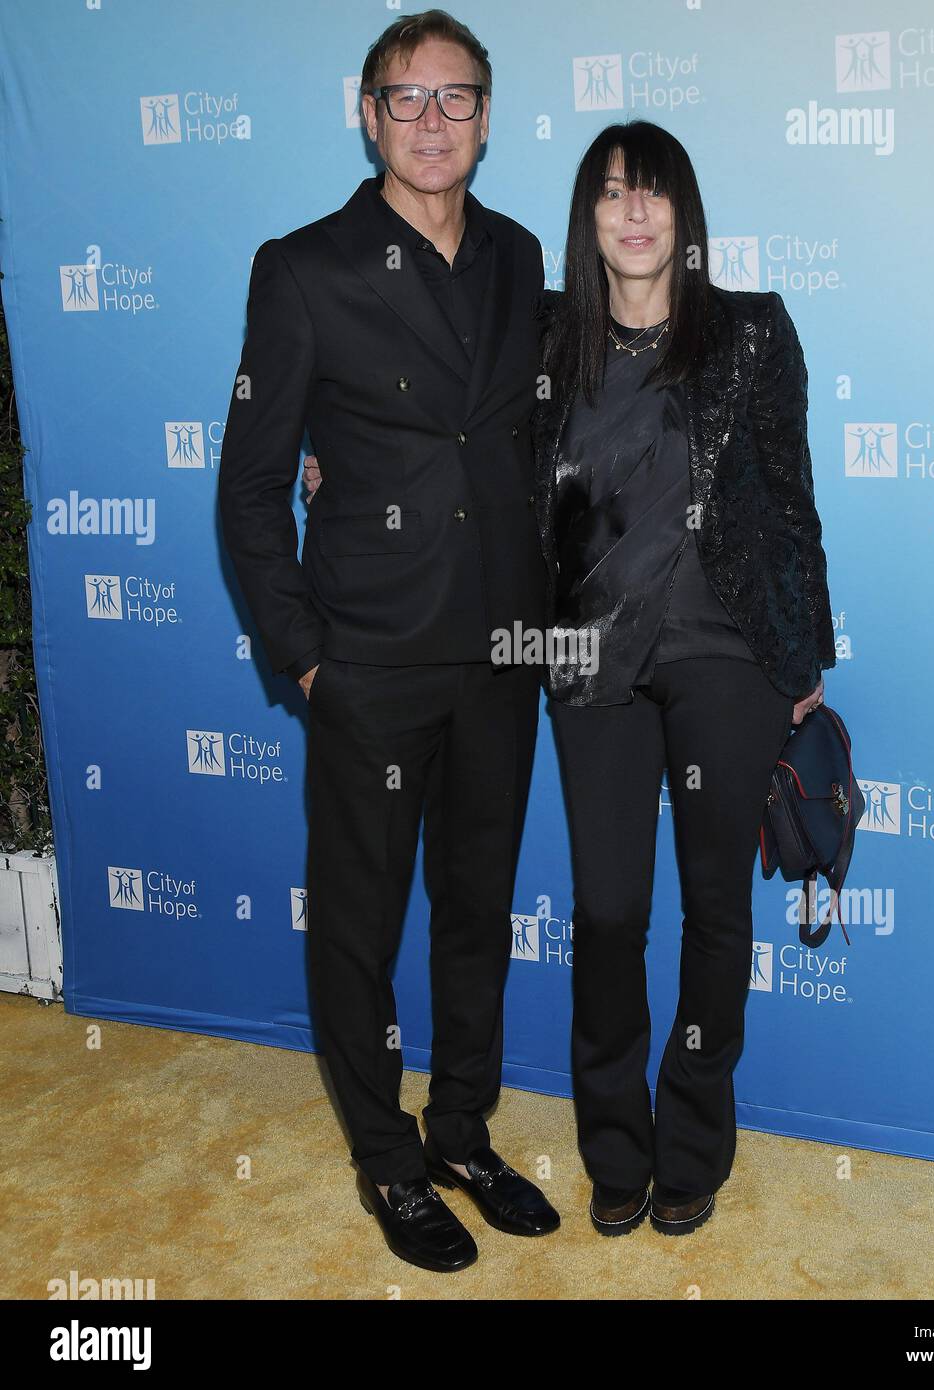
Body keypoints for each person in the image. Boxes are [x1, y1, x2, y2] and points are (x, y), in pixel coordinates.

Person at [217, 9, 559, 1275]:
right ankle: (384, 1158)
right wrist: (304, 655)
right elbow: (251, 487)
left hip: (500, 657)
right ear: (366, 117)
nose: (430, 122)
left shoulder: (524, 258)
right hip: (367, 655)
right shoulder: (302, 267)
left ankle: (460, 1129)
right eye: (404, 100)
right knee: (357, 926)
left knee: (477, 911)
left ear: (485, 115)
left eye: (454, 98)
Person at [531, 120, 836, 1236]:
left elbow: (791, 501)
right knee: (608, 915)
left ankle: (692, 1142)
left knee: (715, 913)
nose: (633, 211)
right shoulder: (543, 344)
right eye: (611, 192)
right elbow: (455, 451)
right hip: (590, 664)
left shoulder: (750, 334)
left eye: (652, 191)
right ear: (590, 218)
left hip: (726, 661)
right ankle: (613, 1147)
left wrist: (802, 658)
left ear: (683, 213)